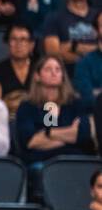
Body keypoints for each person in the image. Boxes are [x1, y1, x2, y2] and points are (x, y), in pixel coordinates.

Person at [15, 56, 93, 188]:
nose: (54, 73)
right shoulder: (27, 106)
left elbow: (83, 136)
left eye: (58, 69)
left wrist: (48, 133)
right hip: (42, 162)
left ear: (63, 75)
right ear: (37, 76)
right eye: (48, 69)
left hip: (74, 160)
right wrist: (69, 135)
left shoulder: (75, 103)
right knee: (40, 171)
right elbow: (30, 141)